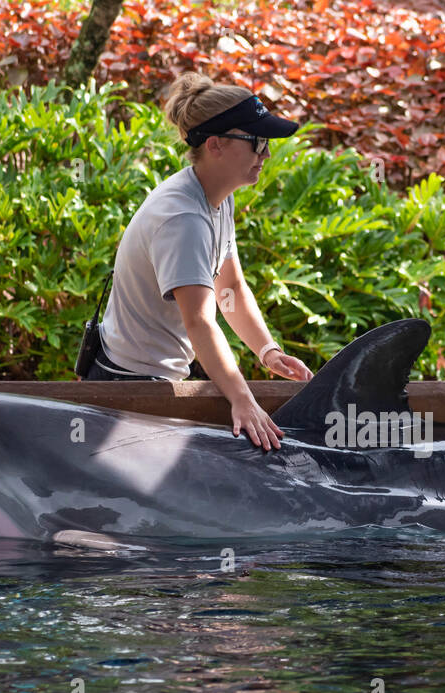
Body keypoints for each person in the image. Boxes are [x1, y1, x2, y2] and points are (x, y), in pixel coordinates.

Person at [85, 72, 313, 451]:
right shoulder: (183, 217)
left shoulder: (217, 197)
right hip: (127, 384)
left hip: (160, 375)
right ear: (215, 145)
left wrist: (268, 350)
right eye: (257, 142)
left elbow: (230, 289)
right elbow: (200, 321)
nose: (266, 154)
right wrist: (242, 400)